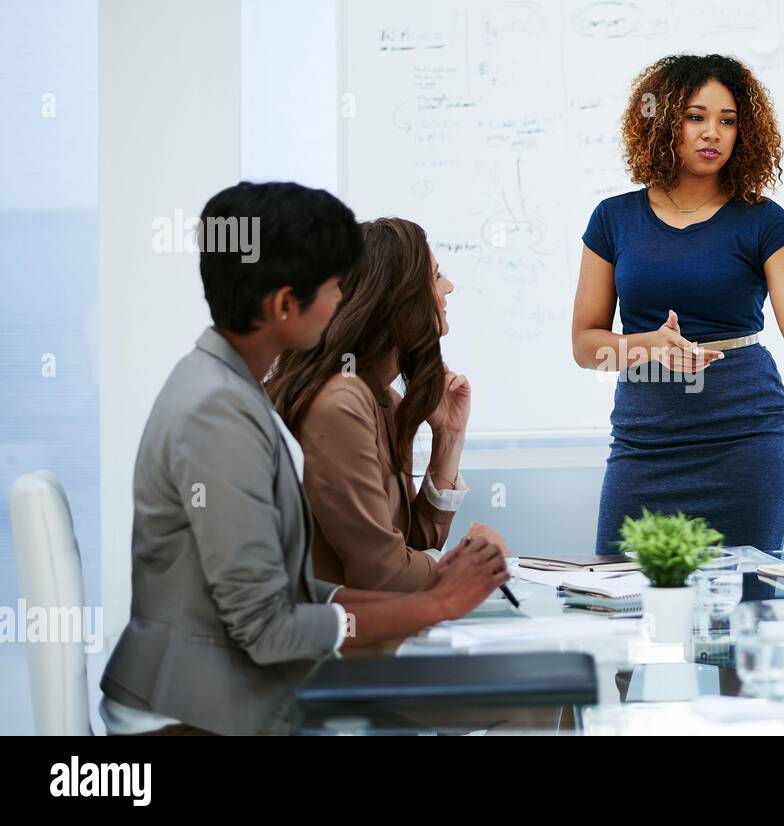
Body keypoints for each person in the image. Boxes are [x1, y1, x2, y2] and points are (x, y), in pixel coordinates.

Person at [100, 183, 507, 736]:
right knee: (508, 700)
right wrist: (439, 602)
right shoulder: (218, 413)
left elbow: (288, 594)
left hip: (222, 690)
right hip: (188, 713)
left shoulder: (230, 391)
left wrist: (441, 591)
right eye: (335, 285)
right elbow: (269, 627)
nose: (346, 299)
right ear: (286, 304)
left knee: (513, 695)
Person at [572, 53, 784, 554]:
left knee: (744, 608)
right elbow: (587, 346)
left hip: (745, 440)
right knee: (625, 597)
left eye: (728, 121)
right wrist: (649, 346)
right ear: (663, 123)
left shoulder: (765, 220)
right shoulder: (612, 220)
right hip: (644, 444)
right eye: (696, 117)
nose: (712, 133)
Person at [267, 217, 509, 591]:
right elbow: (385, 573)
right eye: (436, 275)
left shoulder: (383, 400)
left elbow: (412, 544)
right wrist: (467, 563)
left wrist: (449, 437)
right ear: (399, 297)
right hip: (336, 642)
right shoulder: (340, 404)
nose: (449, 287)